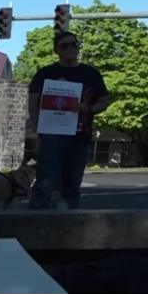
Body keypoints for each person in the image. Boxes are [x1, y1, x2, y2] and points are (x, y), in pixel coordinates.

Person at [27, 32, 113, 209]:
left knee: (72, 185)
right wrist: (36, 124)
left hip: (80, 136)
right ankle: (36, 220)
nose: (70, 48)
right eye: (64, 45)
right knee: (45, 183)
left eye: (74, 44)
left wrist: (88, 108)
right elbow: (33, 100)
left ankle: (69, 220)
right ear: (56, 50)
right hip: (51, 134)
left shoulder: (91, 73)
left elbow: (104, 100)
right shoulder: (45, 73)